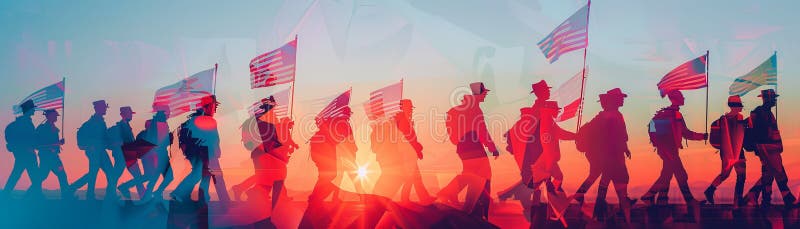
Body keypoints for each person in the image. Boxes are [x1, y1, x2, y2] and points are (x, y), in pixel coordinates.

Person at [438, 82, 499, 220]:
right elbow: (481, 130)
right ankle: (474, 208)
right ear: (479, 94)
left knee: (475, 176)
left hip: (463, 146)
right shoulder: (474, 109)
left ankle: (471, 207)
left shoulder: (463, 108)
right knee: (483, 175)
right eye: (484, 93)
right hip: (472, 144)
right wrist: (492, 147)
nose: (486, 95)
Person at [574, 89, 634, 223]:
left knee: (604, 182)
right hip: (614, 159)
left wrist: (624, 148)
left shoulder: (602, 116)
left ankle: (583, 198)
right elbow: (619, 137)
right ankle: (624, 219)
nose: (622, 99)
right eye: (620, 97)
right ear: (614, 100)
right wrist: (623, 149)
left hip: (606, 158)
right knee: (619, 188)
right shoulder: (615, 115)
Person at [641, 90, 707, 207]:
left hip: (667, 150)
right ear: (676, 99)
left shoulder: (671, 113)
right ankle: (690, 201)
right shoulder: (672, 114)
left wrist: (701, 136)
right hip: (669, 150)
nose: (684, 98)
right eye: (682, 96)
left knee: (666, 175)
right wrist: (702, 136)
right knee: (680, 174)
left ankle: (657, 198)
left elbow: (684, 133)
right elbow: (685, 133)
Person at [171, 95, 230, 203]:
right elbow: (213, 139)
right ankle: (179, 193)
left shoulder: (193, 119)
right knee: (200, 173)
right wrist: (217, 151)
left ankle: (203, 196)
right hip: (205, 152)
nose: (215, 109)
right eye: (214, 106)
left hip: (195, 151)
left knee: (204, 173)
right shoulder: (209, 120)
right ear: (207, 107)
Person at [743, 89, 795, 208]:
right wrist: (760, 146)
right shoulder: (760, 113)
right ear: (767, 99)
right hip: (767, 147)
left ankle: (761, 198)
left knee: (768, 173)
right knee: (779, 171)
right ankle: (787, 198)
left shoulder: (766, 113)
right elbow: (758, 132)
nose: (775, 100)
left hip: (770, 147)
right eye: (773, 98)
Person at [118, 104, 174, 202]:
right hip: (156, 155)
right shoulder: (160, 122)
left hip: (151, 155)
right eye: (168, 112)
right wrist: (169, 139)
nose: (169, 114)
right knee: (160, 176)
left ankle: (146, 195)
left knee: (151, 176)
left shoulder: (155, 124)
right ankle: (151, 194)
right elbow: (161, 141)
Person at [307, 106, 358, 205]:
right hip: (344, 155)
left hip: (337, 154)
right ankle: (316, 197)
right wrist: (353, 150)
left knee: (336, 177)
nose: (348, 115)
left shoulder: (336, 123)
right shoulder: (342, 124)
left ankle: (329, 197)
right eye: (348, 113)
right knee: (352, 176)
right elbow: (348, 139)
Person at [703, 95, 747, 206]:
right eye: (739, 106)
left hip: (734, 152)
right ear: (735, 107)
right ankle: (711, 190)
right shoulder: (735, 120)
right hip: (730, 152)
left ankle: (737, 201)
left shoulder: (728, 120)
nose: (741, 108)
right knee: (727, 174)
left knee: (739, 176)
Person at [71, 100, 114, 200]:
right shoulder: (91, 123)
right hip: (94, 152)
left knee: (108, 172)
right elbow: (81, 136)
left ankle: (110, 195)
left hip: (101, 151)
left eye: (105, 108)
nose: (105, 109)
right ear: (97, 109)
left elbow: (104, 137)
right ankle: (89, 194)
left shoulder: (101, 122)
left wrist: (111, 144)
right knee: (94, 174)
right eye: (103, 108)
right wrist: (89, 146)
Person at [3, 100, 41, 197]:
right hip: (27, 154)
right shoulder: (26, 123)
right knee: (35, 178)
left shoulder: (23, 122)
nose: (34, 110)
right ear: (29, 110)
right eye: (33, 109)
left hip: (23, 154)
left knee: (17, 175)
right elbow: (26, 138)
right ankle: (39, 198)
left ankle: (5, 195)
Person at [107, 106, 144, 199]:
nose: (131, 115)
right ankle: (112, 194)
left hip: (128, 155)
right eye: (129, 114)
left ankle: (142, 195)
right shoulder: (120, 127)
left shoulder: (126, 126)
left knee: (134, 176)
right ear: (123, 115)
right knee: (117, 176)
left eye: (131, 114)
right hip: (123, 155)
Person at [34, 109, 71, 199]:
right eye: (54, 116)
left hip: (54, 157)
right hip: (47, 157)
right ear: (49, 116)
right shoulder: (42, 129)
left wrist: (58, 143)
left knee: (59, 175)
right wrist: (57, 143)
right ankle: (33, 194)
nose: (56, 117)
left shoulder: (52, 128)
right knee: (43, 176)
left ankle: (66, 196)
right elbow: (39, 145)